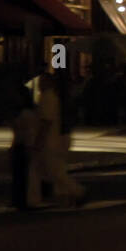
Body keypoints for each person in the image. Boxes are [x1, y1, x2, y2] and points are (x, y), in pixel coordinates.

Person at [38, 74, 86, 207]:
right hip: (61, 137)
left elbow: (46, 121)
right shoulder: (59, 98)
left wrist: (39, 139)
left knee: (54, 170)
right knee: (57, 169)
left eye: (42, 82)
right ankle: (64, 196)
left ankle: (77, 191)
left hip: (53, 139)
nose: (39, 85)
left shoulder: (48, 97)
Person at [10, 86, 42, 210]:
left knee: (22, 174)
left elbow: (27, 132)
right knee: (21, 174)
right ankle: (21, 199)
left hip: (23, 145)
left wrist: (28, 146)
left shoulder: (25, 113)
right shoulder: (29, 112)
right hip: (22, 144)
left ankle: (22, 200)